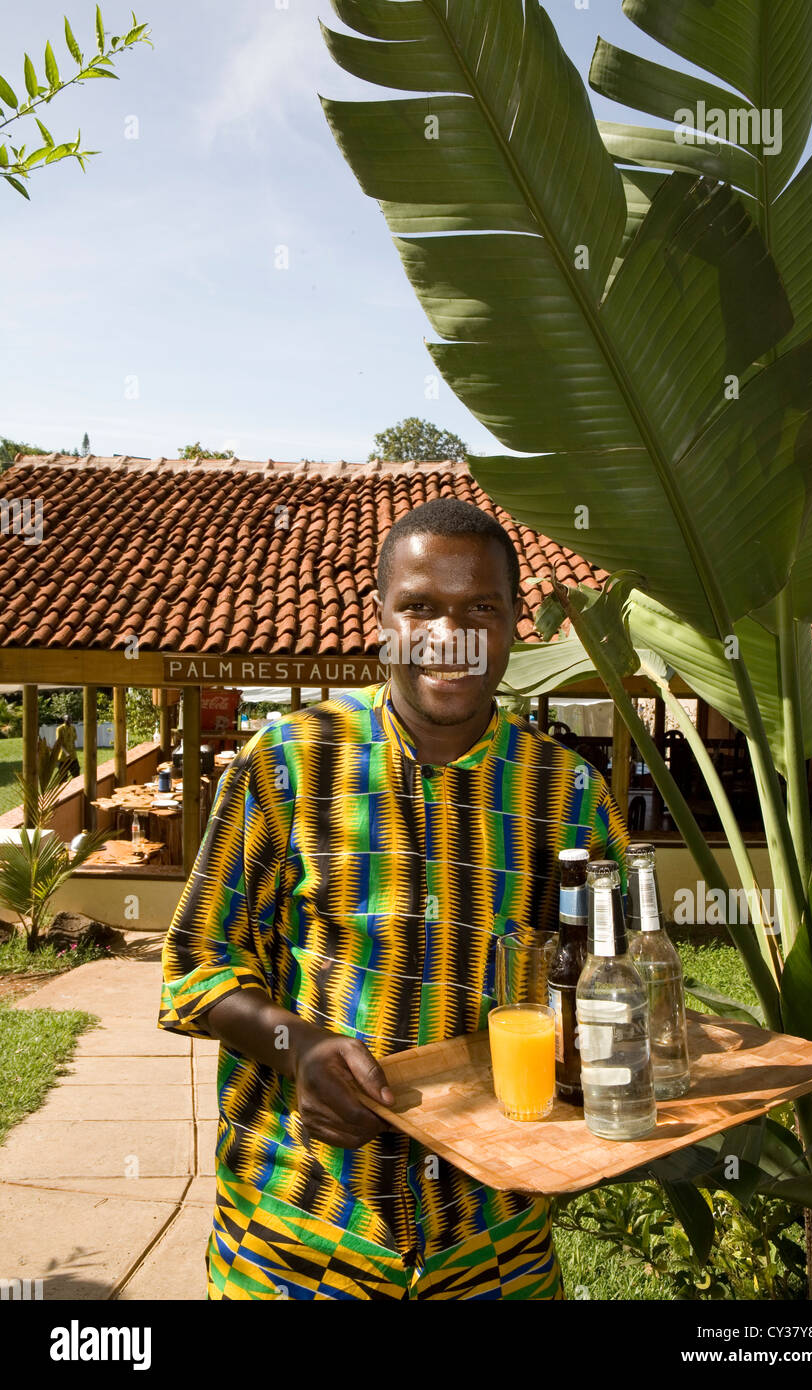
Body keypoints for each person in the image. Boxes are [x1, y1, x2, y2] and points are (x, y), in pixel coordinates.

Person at [158, 498, 629, 1300]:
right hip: (295, 1237)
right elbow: (199, 966)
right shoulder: (285, 765)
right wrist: (295, 1047)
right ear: (381, 619)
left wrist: (595, 1109)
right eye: (420, 606)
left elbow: (606, 987)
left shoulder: (569, 791)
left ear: (517, 623)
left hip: (495, 1243)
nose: (451, 636)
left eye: (480, 606)